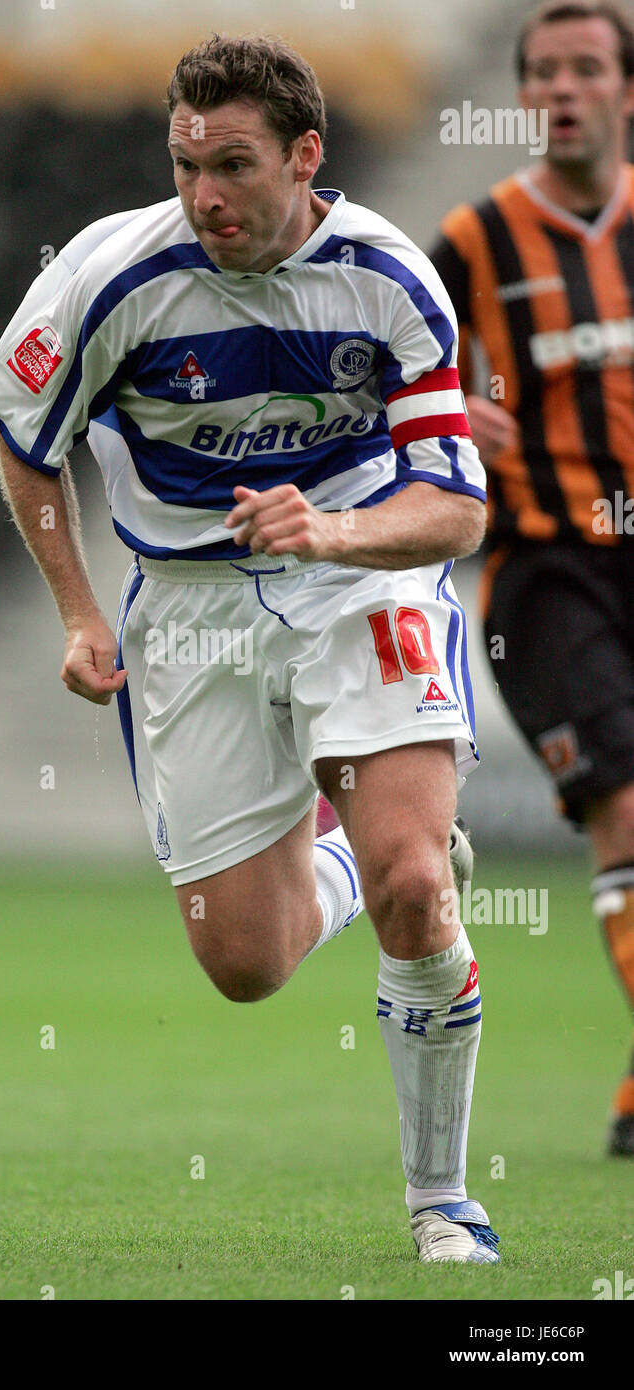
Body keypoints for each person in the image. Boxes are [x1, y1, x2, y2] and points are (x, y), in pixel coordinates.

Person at [0, 33, 500, 1262]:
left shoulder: (388, 280)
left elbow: (458, 507)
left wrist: (334, 529)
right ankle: (343, 864)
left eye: (231, 165)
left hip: (355, 578)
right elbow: (22, 440)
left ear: (304, 157)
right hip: (192, 605)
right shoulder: (111, 274)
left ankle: (440, 1203)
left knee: (416, 884)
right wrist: (77, 609)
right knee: (246, 966)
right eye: (183, 163)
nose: (202, 194)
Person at [431, 0, 634, 1156]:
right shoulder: (470, 241)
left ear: (623, 91)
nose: (562, 87)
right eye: (542, 71)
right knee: (618, 805)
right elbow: (386, 372)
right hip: (545, 570)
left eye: (585, 68)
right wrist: (453, 405)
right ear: (521, 95)